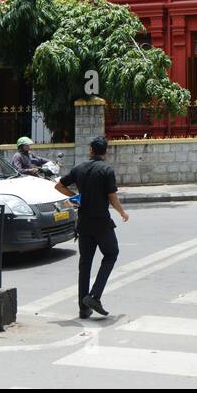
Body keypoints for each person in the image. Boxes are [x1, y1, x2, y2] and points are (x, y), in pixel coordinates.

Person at [55, 136, 127, 319]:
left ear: (90, 150)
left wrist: (77, 198)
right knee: (111, 254)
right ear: (105, 152)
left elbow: (59, 186)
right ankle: (94, 295)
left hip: (84, 223)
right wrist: (122, 213)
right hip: (102, 222)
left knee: (85, 264)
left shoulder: (79, 168)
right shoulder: (106, 170)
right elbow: (112, 197)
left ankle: (83, 309)